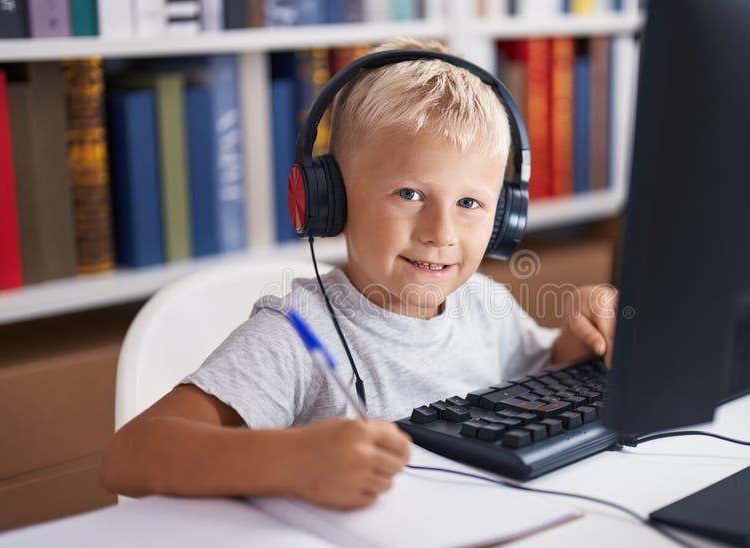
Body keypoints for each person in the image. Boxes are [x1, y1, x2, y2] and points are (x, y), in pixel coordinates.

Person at [100, 38, 617, 509]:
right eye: (409, 194)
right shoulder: (295, 333)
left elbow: (547, 366)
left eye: (469, 203)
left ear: (503, 217)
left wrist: (587, 331)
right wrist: (291, 460)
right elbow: (129, 456)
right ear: (332, 201)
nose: (440, 232)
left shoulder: (482, 305)